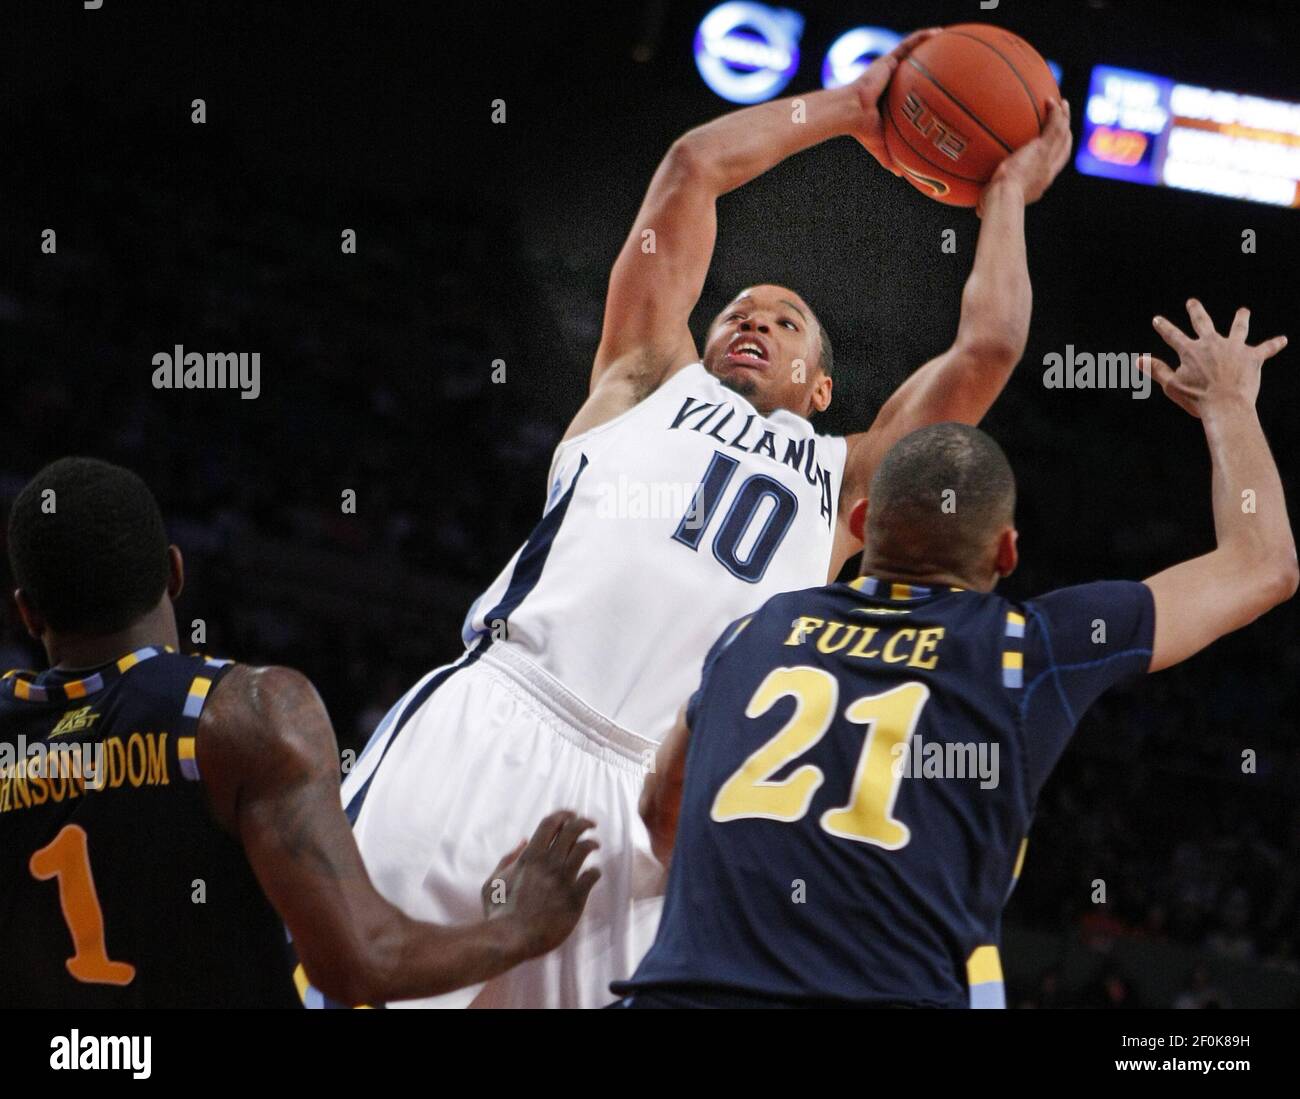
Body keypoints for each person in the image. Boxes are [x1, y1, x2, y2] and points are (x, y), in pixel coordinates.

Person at [338, 29, 1073, 1007]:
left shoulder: (849, 482)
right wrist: (853, 108)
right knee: (350, 991)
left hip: (650, 804)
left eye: (785, 319)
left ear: (820, 389)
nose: (753, 319)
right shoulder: (643, 375)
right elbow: (691, 169)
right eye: (738, 308)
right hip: (501, 712)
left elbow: (988, 347)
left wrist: (1009, 197)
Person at [619, 301, 1295, 1007]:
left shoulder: (755, 629)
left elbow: (663, 816)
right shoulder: (1027, 650)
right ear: (1005, 551)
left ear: (859, 524)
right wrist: (1228, 403)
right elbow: (1262, 563)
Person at [0, 457, 599, 1008]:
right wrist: (516, 926)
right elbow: (360, 964)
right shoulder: (239, 712)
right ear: (175, 571)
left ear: (27, 611)